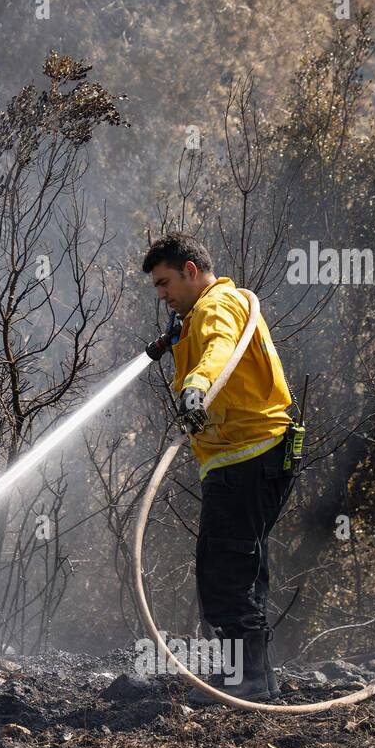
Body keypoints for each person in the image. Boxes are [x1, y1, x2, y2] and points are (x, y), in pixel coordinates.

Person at [142, 232, 298, 704]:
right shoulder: (215, 309)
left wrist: (197, 387)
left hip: (244, 459)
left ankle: (243, 685)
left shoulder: (215, 309)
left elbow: (220, 349)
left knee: (223, 575)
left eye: (166, 282)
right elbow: (210, 343)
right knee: (245, 570)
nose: (163, 295)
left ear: (191, 270)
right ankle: (258, 683)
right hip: (258, 456)